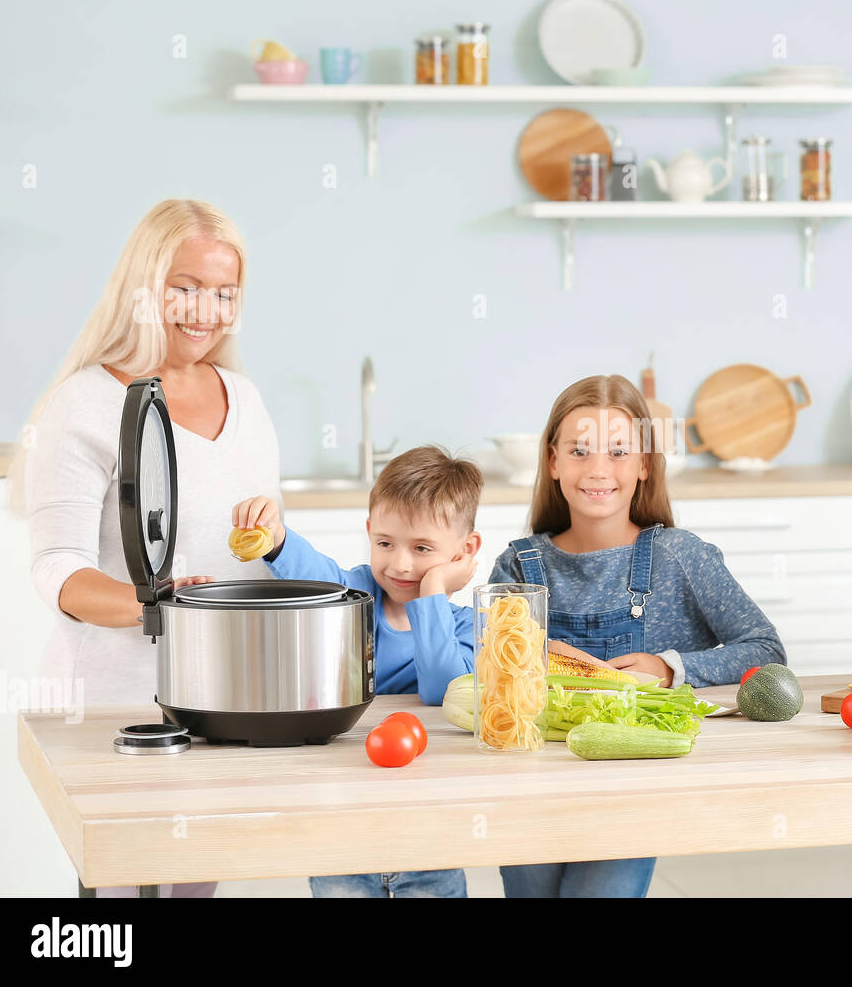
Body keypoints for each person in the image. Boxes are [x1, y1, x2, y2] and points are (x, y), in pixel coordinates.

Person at [14, 200, 283, 898]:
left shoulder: (244, 400)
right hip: (113, 702)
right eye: (184, 287)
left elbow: (256, 549)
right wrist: (154, 604)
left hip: (219, 697)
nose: (206, 310)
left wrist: (277, 533)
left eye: (225, 293)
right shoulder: (84, 404)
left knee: (192, 888)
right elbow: (57, 568)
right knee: (121, 902)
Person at [489, 374, 785, 897]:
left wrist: (671, 668)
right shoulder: (518, 565)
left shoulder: (680, 556)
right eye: (579, 451)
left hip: (632, 788)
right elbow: (486, 674)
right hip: (531, 788)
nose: (598, 469)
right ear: (553, 462)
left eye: (618, 452)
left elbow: (765, 650)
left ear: (644, 465)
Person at [233, 444, 481, 897]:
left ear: (465, 551)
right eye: (385, 543)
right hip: (339, 822)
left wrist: (432, 593)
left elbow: (442, 691)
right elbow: (310, 570)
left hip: (428, 830)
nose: (400, 563)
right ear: (368, 532)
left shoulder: (464, 627)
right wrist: (277, 535)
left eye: (422, 548)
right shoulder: (354, 593)